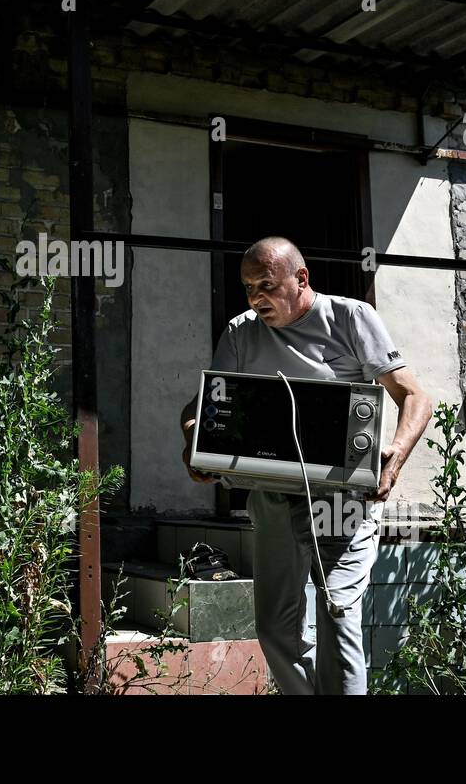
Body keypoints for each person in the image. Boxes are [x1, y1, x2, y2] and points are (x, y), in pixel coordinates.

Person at [179, 236, 432, 694]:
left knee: (337, 617)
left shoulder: (352, 318)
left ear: (301, 279)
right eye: (249, 287)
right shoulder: (241, 331)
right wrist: (193, 438)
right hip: (272, 496)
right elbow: (202, 407)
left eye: (266, 285)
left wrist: (394, 456)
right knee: (276, 629)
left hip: (340, 501)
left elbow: (415, 395)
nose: (256, 297)